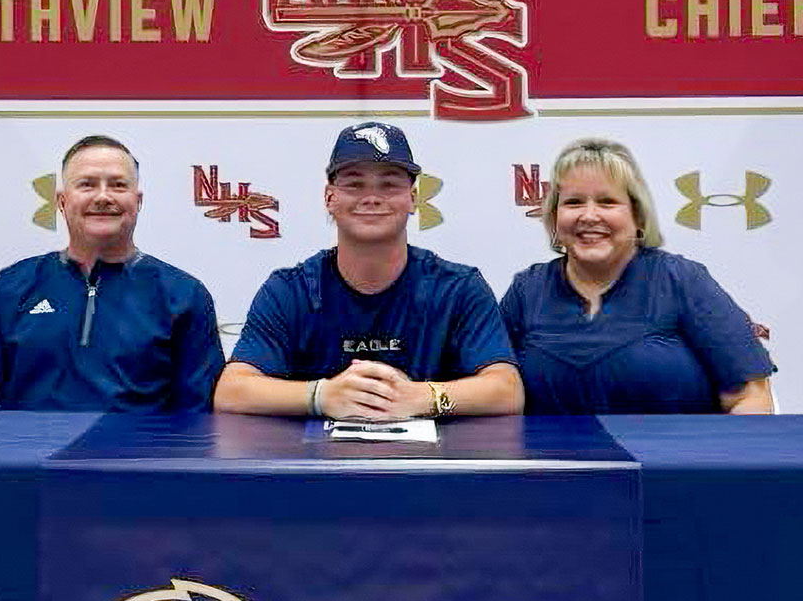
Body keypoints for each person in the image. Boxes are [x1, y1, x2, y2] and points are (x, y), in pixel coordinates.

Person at [214, 122, 522, 420]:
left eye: (389, 184)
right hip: (315, 469)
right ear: (329, 198)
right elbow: (232, 390)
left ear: (413, 199)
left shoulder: (458, 288)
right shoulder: (289, 290)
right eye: (354, 184)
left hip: (432, 467)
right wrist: (322, 396)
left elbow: (506, 390)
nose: (371, 197)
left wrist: (421, 397)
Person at [0, 135, 223, 413]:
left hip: (134, 461)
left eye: (118, 185)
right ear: (61, 202)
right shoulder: (9, 289)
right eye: (87, 185)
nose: (102, 196)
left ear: (138, 201)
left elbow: (197, 424)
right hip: (26, 460)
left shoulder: (184, 296)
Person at [500, 138, 774, 415]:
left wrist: (718, 457)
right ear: (554, 219)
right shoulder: (526, 291)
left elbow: (750, 398)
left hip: (677, 457)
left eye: (607, 202)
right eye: (573, 202)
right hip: (552, 458)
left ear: (638, 217)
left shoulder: (681, 280)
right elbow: (494, 388)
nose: (589, 215)